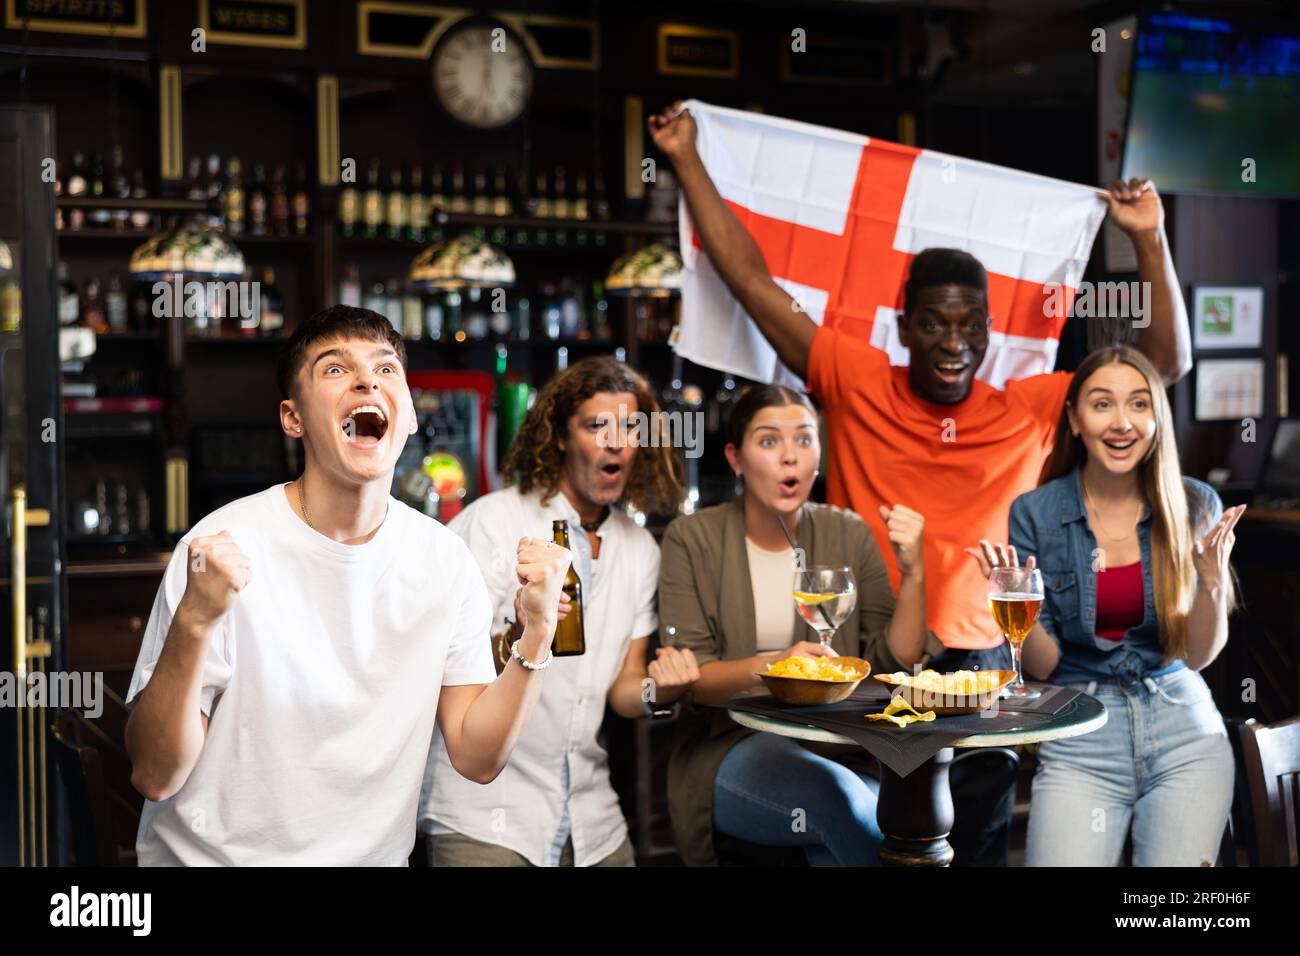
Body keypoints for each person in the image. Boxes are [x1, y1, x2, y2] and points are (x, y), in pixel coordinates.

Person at [648, 100, 1194, 666]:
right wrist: (687, 158)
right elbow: (752, 283)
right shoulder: (856, 378)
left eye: (969, 326)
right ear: (905, 329)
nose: (953, 345)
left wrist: (1149, 237)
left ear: (989, 331)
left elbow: (1160, 369)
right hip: (873, 647)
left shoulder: (1029, 407)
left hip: (991, 652)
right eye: (933, 324)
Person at [124, 305, 572, 865]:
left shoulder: (444, 561)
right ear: (293, 418)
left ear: (408, 414)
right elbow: (154, 774)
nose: (366, 379)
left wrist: (538, 634)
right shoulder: (219, 546)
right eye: (335, 369)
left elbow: (477, 757)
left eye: (386, 370)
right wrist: (195, 620)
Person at [967, 346, 1242, 866]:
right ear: (1074, 419)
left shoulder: (1195, 504)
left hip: (1186, 734)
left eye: (1139, 404)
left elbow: (1201, 656)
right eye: (1102, 404)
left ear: (1157, 418)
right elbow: (1044, 666)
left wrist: (1209, 582)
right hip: (1081, 733)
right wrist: (1014, 605)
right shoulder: (1035, 513)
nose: (1122, 423)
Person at [419, 356, 695, 867]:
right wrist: (523, 632)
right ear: (562, 437)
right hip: (486, 810)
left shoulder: (640, 550)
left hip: (592, 814)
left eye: (630, 427)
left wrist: (664, 690)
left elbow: (624, 690)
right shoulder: (492, 523)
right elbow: (447, 671)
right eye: (597, 426)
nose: (616, 442)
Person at [659, 383, 943, 866]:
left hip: (844, 747)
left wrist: (915, 573)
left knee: (871, 816)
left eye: (805, 440)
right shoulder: (692, 538)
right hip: (731, 745)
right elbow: (697, 684)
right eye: (769, 441)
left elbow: (897, 659)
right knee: (845, 807)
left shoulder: (847, 531)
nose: (790, 457)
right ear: (735, 457)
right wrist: (778, 664)